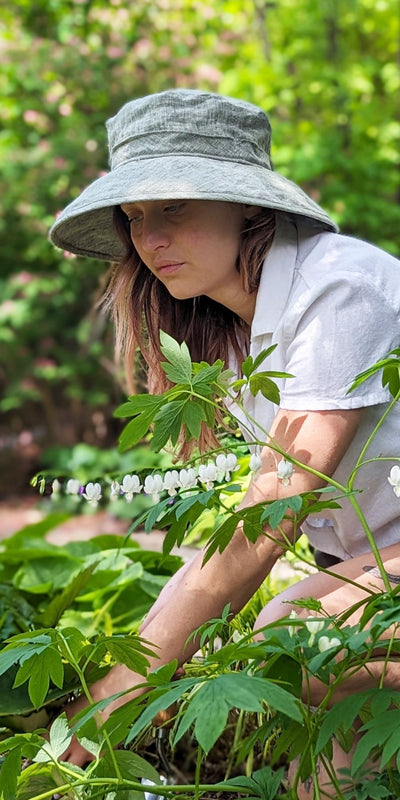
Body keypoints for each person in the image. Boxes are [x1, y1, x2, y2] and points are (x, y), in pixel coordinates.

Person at [50, 89, 400, 796]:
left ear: (247, 203)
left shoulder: (339, 291)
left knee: (298, 641)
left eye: (174, 206)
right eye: (136, 216)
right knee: (327, 773)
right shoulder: (229, 334)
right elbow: (249, 527)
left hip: (379, 560)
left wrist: (119, 692)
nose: (149, 239)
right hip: (368, 559)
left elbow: (271, 516)